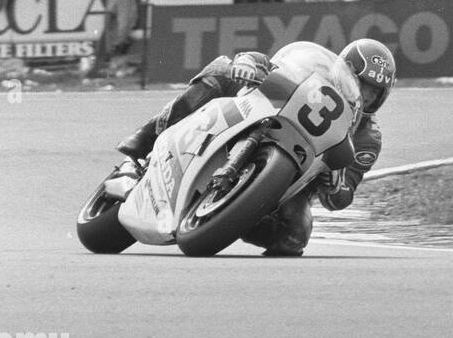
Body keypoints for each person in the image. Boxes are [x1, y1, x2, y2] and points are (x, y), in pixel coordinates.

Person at [113, 40, 397, 257]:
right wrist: (249, 62)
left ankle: (232, 217)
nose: (365, 95)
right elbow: (274, 63)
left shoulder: (368, 137)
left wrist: (334, 183)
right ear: (343, 70)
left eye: (374, 92)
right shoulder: (317, 71)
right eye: (361, 83)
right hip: (263, 117)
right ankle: (149, 135)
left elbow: (341, 199)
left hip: (293, 182)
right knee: (223, 69)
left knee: (295, 238)